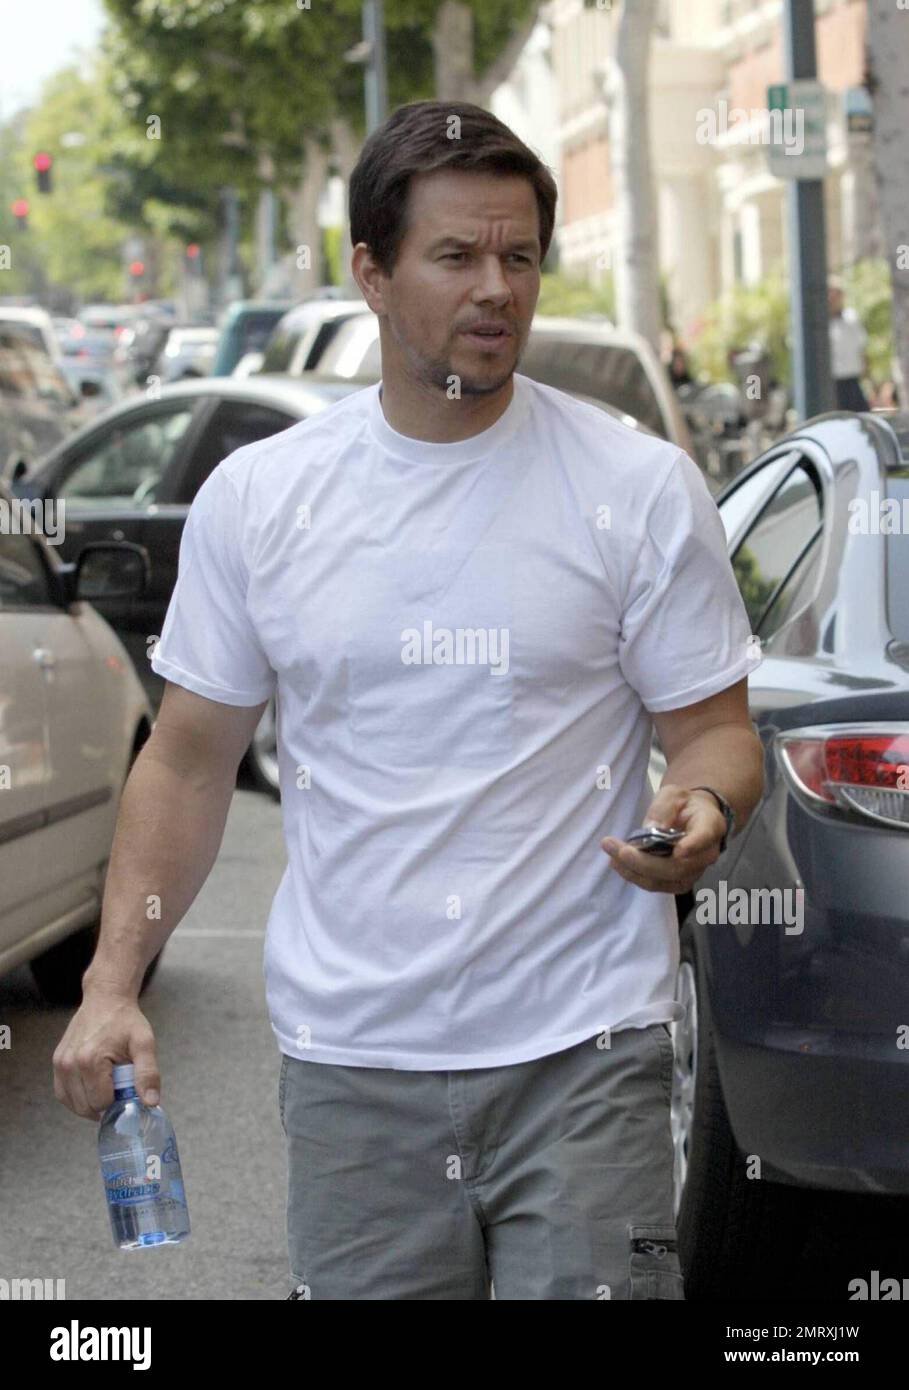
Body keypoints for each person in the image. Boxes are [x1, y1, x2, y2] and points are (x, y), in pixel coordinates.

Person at [53, 100, 765, 1300]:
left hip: (589, 1045)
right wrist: (112, 982)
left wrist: (701, 807)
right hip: (355, 1065)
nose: (498, 288)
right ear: (371, 275)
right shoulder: (264, 500)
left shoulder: (639, 489)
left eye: (521, 255)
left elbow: (714, 732)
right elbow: (184, 761)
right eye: (457, 256)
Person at [828, 280, 870, 411]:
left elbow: (862, 347)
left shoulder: (852, 317)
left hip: (853, 381)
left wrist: (868, 375)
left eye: (837, 295)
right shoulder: (821, 325)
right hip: (833, 383)